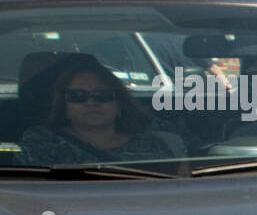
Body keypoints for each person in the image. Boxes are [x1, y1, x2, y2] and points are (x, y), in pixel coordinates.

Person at [21, 57, 178, 164]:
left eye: (102, 95)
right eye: (78, 96)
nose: (91, 102)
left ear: (120, 104)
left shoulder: (152, 145)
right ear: (64, 106)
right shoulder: (42, 141)